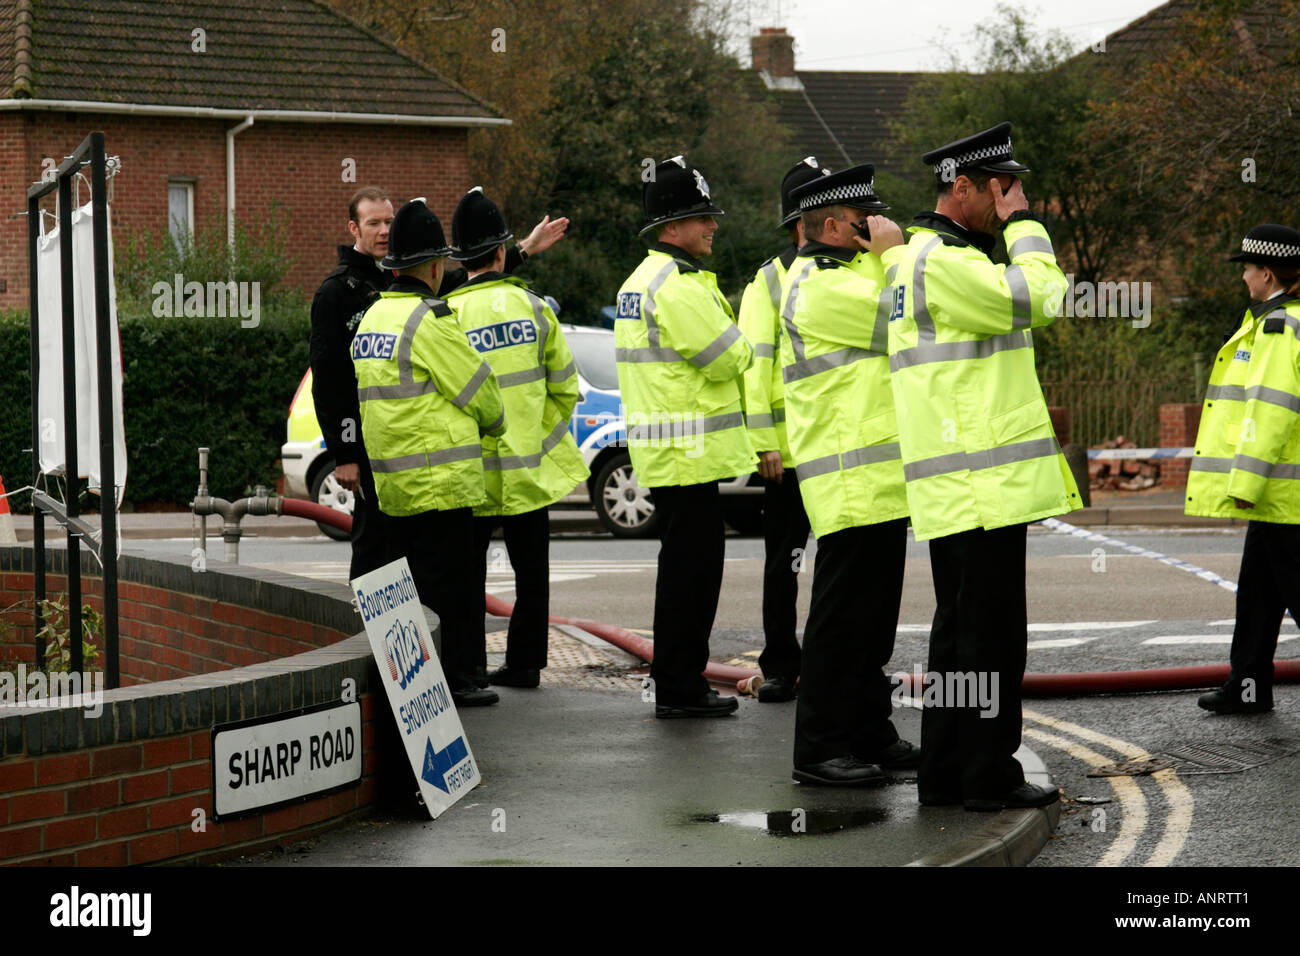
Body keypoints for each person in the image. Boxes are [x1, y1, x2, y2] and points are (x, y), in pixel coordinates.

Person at [885, 122, 1079, 810]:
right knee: (990, 642)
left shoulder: (914, 260)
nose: (1005, 197)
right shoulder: (946, 262)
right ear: (959, 186)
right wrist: (1025, 223)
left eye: (1010, 189)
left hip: (956, 484)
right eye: (997, 187)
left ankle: (943, 770)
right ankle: (988, 776)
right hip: (982, 485)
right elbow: (1045, 298)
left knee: (956, 638)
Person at [311, 189, 568, 583]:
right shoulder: (336, 292)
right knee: (374, 552)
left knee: (407, 562)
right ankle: (365, 639)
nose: (384, 231)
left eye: (389, 222)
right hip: (370, 449)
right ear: (353, 228)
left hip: (412, 455)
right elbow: (329, 380)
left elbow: (469, 274)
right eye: (373, 223)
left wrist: (524, 249)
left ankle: (405, 641)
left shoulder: (401, 279)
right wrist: (344, 452)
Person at [776, 164, 917, 785]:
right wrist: (896, 256)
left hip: (878, 477)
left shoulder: (846, 271)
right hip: (849, 478)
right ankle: (819, 747)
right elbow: (907, 321)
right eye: (863, 221)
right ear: (829, 226)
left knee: (873, 622)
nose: (875, 228)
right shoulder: (820, 286)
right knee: (838, 624)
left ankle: (868, 731)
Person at [615, 156, 756, 718]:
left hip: (669, 453)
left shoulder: (642, 280)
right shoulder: (678, 285)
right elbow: (730, 358)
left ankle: (680, 683)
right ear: (671, 228)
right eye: (702, 218)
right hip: (688, 455)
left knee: (683, 576)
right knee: (691, 582)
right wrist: (743, 340)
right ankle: (680, 688)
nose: (712, 226)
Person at [352, 199, 506, 707]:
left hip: (395, 487)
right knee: (452, 593)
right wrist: (497, 421)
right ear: (437, 266)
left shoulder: (374, 316)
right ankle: (457, 681)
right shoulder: (430, 318)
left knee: (414, 593)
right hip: (441, 485)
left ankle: (417, 685)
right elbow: (477, 390)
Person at [444, 187, 590, 689]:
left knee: (466, 578)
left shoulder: (444, 316)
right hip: (529, 470)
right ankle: (525, 664)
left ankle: (470, 670)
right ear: (502, 252)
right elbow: (565, 387)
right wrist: (538, 438)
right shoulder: (533, 306)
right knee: (533, 575)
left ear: (459, 260)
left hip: (471, 474)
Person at [1186, 223, 1300, 714]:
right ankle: (1247, 685)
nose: (1243, 278)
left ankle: (1246, 683)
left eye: (1248, 269)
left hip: (1281, 494)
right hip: (1277, 494)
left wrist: (1246, 484)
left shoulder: (1279, 328)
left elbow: (1271, 411)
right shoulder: (1270, 321)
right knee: (1258, 593)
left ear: (1268, 273)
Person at [737, 157, 827, 704]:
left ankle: (828, 665)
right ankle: (779, 665)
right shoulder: (769, 282)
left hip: (838, 452)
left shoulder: (850, 272)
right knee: (783, 566)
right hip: (790, 455)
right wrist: (764, 440)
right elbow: (754, 366)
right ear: (801, 223)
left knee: (839, 576)